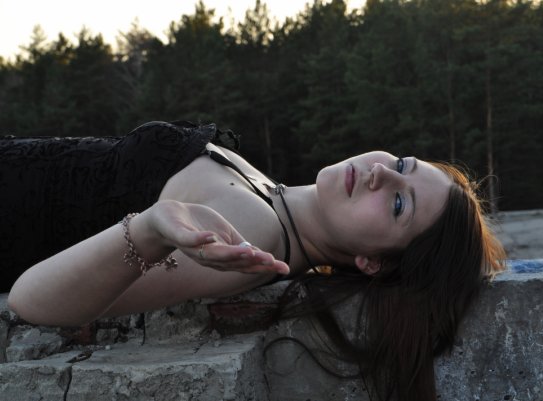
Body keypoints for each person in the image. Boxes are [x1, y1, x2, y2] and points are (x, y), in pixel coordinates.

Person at [4, 120, 505, 401]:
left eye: (398, 204)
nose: (381, 174)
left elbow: (32, 301)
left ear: (372, 262)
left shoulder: (253, 236)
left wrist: (150, 229)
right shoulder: (272, 198)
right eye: (402, 164)